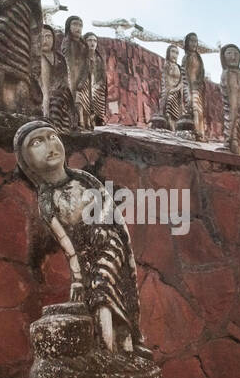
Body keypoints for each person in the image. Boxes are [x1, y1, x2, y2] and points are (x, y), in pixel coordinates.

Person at [14, 120, 146, 356]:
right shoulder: (46, 202)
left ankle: (117, 348)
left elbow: (107, 205)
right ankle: (109, 350)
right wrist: (76, 278)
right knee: (97, 293)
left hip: (108, 241)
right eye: (37, 142)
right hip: (85, 256)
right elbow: (67, 244)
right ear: (27, 162)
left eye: (52, 136)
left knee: (103, 286)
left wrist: (100, 226)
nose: (49, 145)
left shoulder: (82, 178)